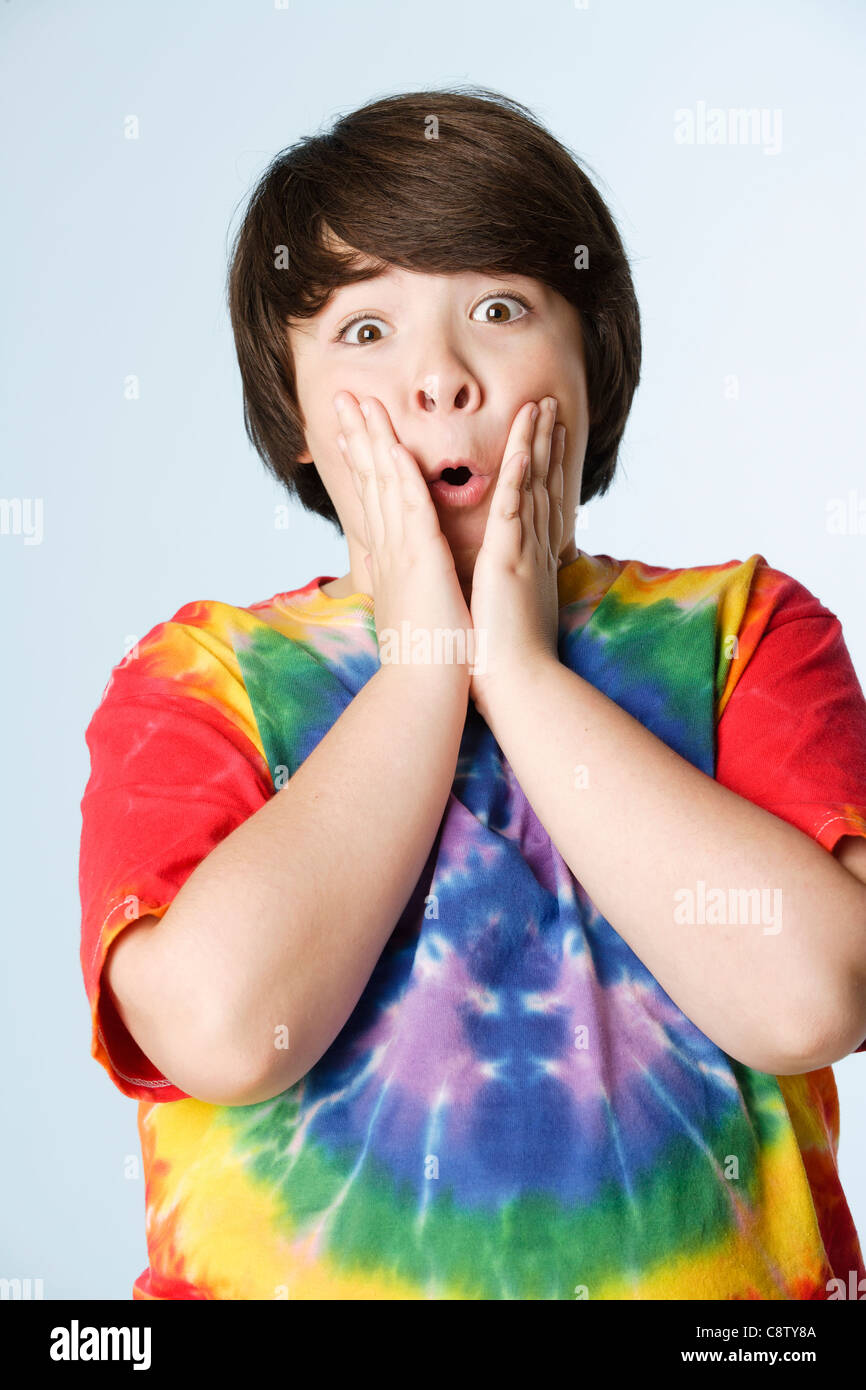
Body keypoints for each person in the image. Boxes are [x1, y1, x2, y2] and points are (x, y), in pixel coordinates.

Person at [79, 86, 866, 1301]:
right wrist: (420, 673)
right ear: (291, 408)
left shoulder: (739, 633)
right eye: (364, 329)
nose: (439, 377)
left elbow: (811, 994)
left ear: (591, 365)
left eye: (499, 309)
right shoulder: (199, 679)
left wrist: (520, 671)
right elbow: (226, 1033)